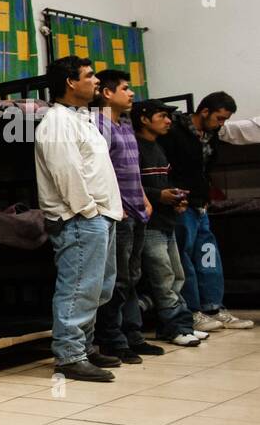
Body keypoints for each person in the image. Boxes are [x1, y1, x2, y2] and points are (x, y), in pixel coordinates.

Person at [34, 56, 123, 382]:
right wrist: (88, 211)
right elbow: (66, 173)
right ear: (71, 82)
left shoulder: (81, 119)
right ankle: (70, 356)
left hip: (97, 216)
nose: (96, 81)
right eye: (89, 76)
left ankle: (83, 347)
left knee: (98, 289)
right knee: (78, 289)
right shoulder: (57, 121)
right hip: (80, 218)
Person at [161, 92, 252, 331]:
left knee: (208, 254)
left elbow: (206, 169)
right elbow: (167, 168)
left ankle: (213, 305)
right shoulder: (175, 131)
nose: (221, 124)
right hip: (181, 203)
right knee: (185, 257)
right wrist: (175, 196)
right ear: (204, 112)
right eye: (219, 118)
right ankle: (192, 311)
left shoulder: (211, 135)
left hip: (201, 203)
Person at [93, 69, 163, 364]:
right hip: (118, 213)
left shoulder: (124, 123)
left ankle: (133, 334)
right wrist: (115, 206)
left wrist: (145, 199)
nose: (131, 93)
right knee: (118, 280)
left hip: (137, 210)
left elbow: (131, 169)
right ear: (107, 93)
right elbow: (102, 171)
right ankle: (112, 339)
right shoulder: (97, 125)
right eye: (124, 88)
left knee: (133, 278)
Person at [133, 99, 202, 348]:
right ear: (143, 119)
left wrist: (175, 198)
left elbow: (162, 182)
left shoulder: (158, 147)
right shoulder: (135, 146)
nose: (168, 121)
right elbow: (131, 185)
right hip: (149, 223)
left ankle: (178, 325)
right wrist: (158, 196)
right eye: (162, 116)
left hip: (165, 220)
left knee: (177, 275)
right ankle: (176, 327)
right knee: (163, 277)